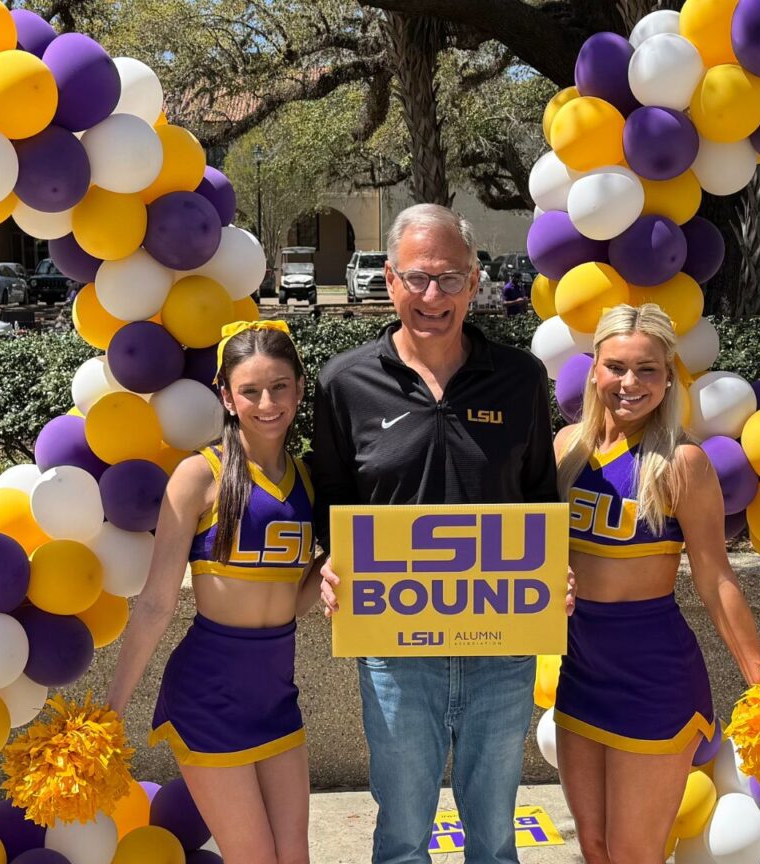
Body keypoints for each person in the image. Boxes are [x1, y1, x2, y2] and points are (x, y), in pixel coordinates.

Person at [314, 204, 559, 864]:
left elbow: (540, 495)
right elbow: (330, 502)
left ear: (474, 283)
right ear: (388, 281)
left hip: (503, 648)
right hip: (395, 652)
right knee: (400, 838)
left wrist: (554, 570)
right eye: (418, 278)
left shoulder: (521, 379)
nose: (433, 297)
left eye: (450, 279)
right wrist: (331, 562)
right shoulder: (344, 385)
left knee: (495, 839)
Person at [552, 304, 760, 863]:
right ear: (593, 368)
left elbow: (715, 577)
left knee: (633, 853)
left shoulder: (682, 462)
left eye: (647, 369)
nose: (630, 383)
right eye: (616, 367)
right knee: (594, 847)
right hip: (580, 669)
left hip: (652, 675)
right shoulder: (565, 450)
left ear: (669, 375)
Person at [106, 321, 321, 864]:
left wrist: (342, 564)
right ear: (226, 396)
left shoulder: (308, 480)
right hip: (207, 694)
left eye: (279, 387)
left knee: (294, 854)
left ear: (299, 387)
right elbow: (156, 603)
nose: (266, 402)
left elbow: (291, 601)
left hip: (275, 691)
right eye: (249, 390)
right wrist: (112, 708)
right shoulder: (199, 475)